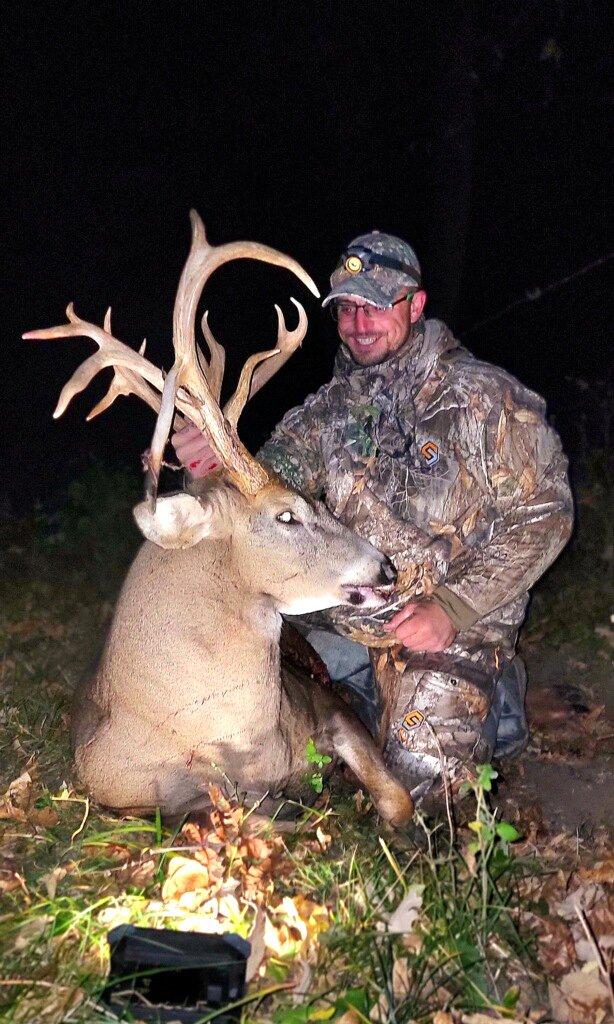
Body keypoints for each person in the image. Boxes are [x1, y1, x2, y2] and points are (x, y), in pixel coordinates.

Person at [173, 231, 573, 805]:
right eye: (348, 308)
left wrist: (451, 609)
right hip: (342, 619)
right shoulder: (330, 408)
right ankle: (359, 700)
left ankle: (492, 695)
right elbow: (264, 491)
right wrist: (212, 462)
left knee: (418, 806)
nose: (360, 323)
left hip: (446, 630)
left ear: (415, 304)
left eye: (377, 305)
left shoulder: (483, 399)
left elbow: (548, 513)